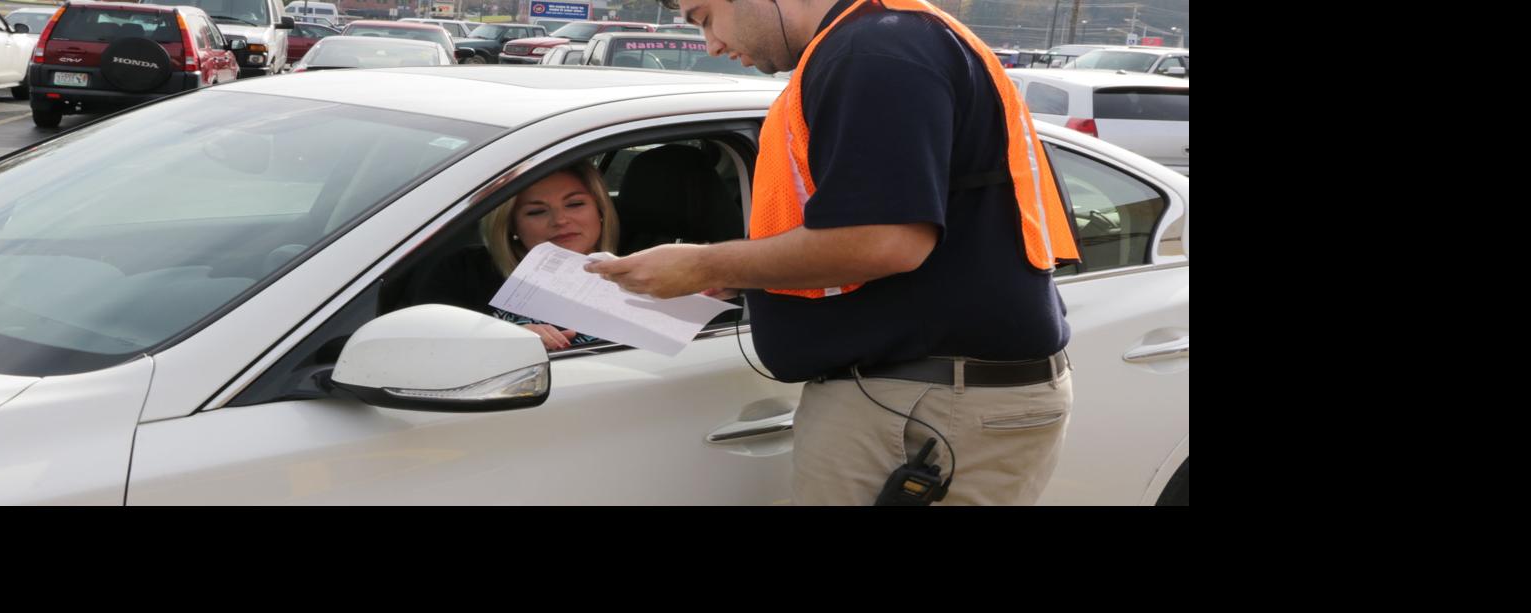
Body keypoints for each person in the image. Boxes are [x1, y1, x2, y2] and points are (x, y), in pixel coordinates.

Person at [587, 0, 1082, 505]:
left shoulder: (873, 49)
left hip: (921, 407)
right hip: (927, 398)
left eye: (703, 16)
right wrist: (743, 274)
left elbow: (884, 240)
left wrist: (702, 264)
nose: (710, 43)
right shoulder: (882, 40)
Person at [418, 163, 621, 351]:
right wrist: (501, 338)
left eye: (575, 204)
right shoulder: (465, 271)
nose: (560, 220)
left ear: (600, 210)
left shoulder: (640, 274)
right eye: (536, 211)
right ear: (511, 225)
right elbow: (425, 343)